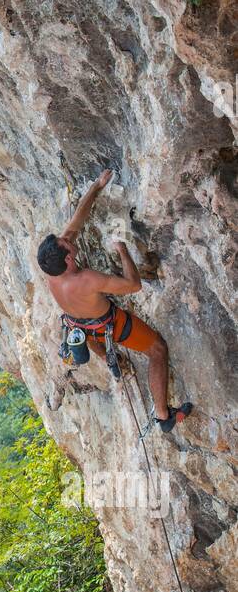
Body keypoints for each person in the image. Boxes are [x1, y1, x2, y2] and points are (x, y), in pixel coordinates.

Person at [36, 170, 192, 433]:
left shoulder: (53, 270)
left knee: (98, 337)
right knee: (157, 350)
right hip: (110, 325)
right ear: (68, 260)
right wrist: (122, 250)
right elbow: (133, 285)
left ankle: (113, 360)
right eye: (66, 243)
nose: (68, 238)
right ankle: (164, 417)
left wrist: (97, 186)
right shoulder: (85, 279)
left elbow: (75, 224)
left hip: (80, 328)